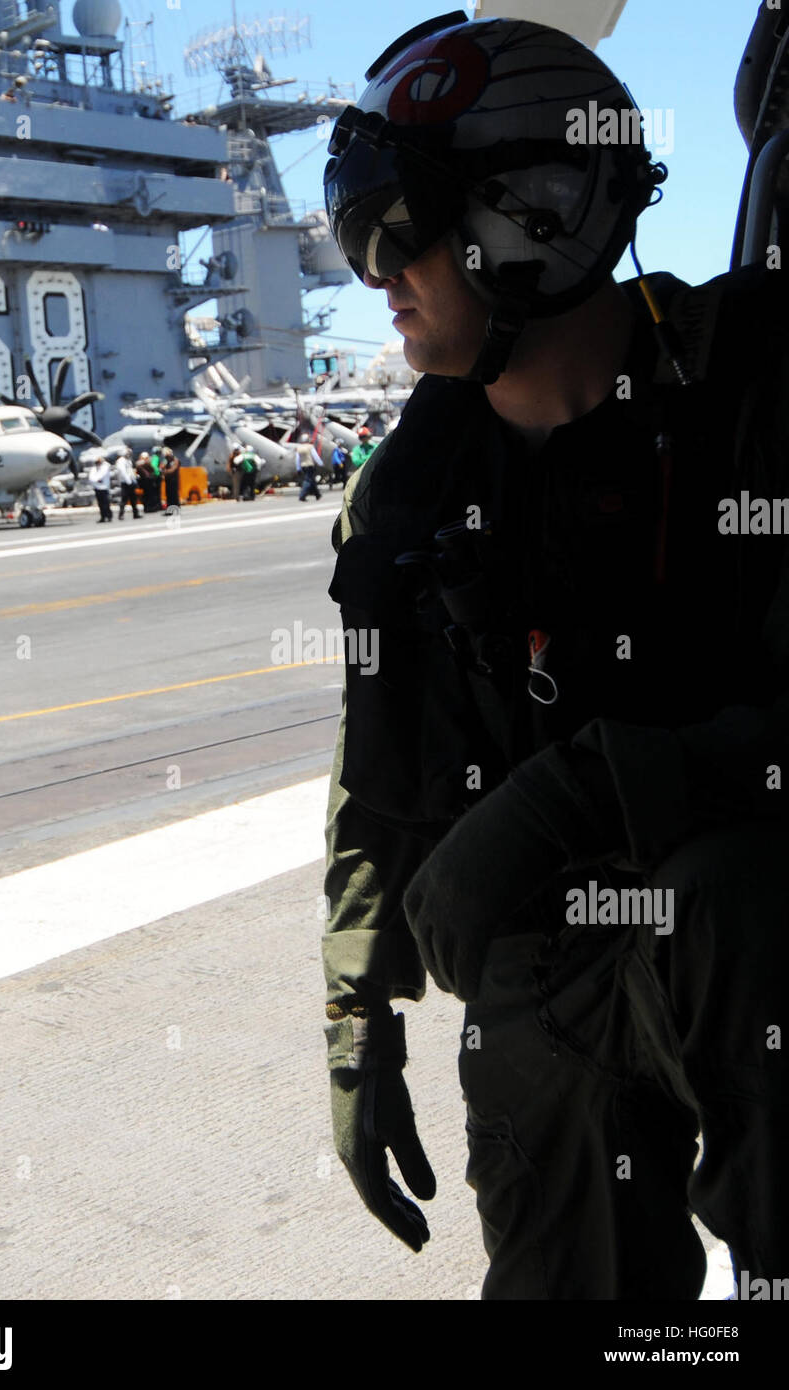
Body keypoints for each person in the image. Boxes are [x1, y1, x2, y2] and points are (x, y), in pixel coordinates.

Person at [321, 12, 789, 1301]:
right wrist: (356, 1015)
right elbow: (381, 769)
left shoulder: (755, 396)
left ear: (532, 215)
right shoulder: (406, 504)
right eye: (353, 229)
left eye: (396, 228)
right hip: (548, 986)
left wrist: (581, 791)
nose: (376, 273)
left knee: (734, 904)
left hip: (742, 944)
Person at [295, 432, 322, 501]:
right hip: (310, 465)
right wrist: (320, 463)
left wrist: (298, 468)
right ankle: (302, 495)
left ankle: (317, 494)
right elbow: (315, 456)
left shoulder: (299, 448)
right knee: (308, 480)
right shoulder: (310, 446)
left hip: (303, 466)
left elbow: (297, 459)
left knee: (312, 480)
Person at [114, 449, 140, 519]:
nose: (129, 454)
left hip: (131, 482)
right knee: (124, 500)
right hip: (125, 483)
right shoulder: (121, 461)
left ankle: (136, 513)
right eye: (128, 453)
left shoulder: (128, 460)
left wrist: (134, 478)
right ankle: (121, 515)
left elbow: (130, 471)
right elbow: (123, 472)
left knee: (133, 499)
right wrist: (128, 481)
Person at [86, 452, 112, 522]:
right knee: (100, 504)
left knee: (106, 503)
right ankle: (103, 516)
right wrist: (96, 480)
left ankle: (109, 516)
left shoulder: (105, 467)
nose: (98, 463)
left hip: (104, 487)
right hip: (97, 487)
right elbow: (91, 477)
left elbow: (101, 475)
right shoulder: (94, 468)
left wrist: (96, 479)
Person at [160, 443, 180, 512]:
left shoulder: (175, 460)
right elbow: (161, 467)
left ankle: (176, 509)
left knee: (174, 495)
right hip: (168, 480)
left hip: (174, 480)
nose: (167, 457)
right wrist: (163, 467)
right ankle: (170, 509)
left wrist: (165, 471)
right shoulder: (166, 461)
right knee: (169, 496)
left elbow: (173, 470)